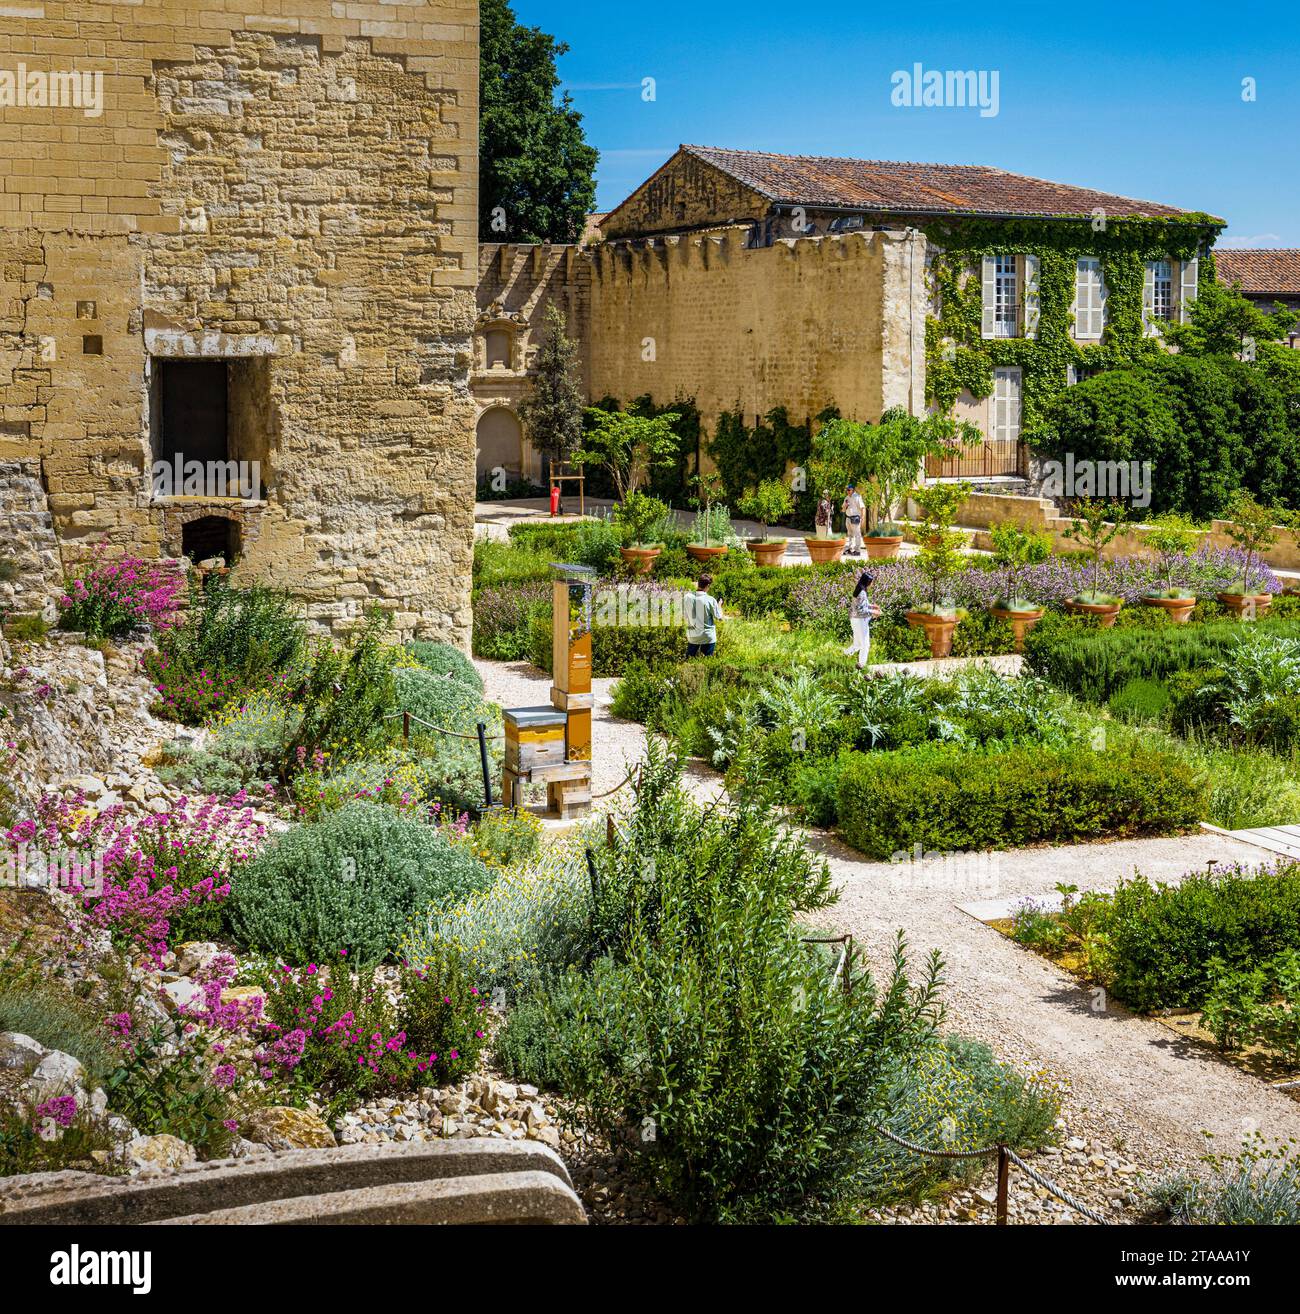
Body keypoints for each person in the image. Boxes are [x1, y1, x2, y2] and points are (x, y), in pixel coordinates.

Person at [844, 570, 881, 669]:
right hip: (860, 620)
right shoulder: (862, 593)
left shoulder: (859, 590)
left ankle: (843, 655)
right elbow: (861, 610)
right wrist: (874, 612)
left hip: (854, 619)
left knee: (857, 644)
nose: (872, 584)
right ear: (867, 582)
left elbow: (859, 605)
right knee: (865, 645)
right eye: (871, 582)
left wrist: (872, 606)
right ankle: (862, 666)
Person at [683, 573, 724, 657]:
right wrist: (719, 604)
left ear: (698, 583)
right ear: (708, 585)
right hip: (707, 636)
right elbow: (719, 617)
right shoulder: (710, 600)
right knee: (707, 661)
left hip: (693, 636)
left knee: (689, 660)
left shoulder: (687, 597)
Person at [843, 482, 866, 555]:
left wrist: (862, 518)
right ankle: (850, 548)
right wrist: (845, 506)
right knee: (849, 534)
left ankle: (857, 550)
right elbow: (843, 510)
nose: (848, 491)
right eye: (847, 490)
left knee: (857, 534)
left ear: (852, 490)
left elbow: (862, 508)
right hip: (848, 518)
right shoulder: (846, 498)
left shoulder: (857, 497)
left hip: (855, 518)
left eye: (849, 490)